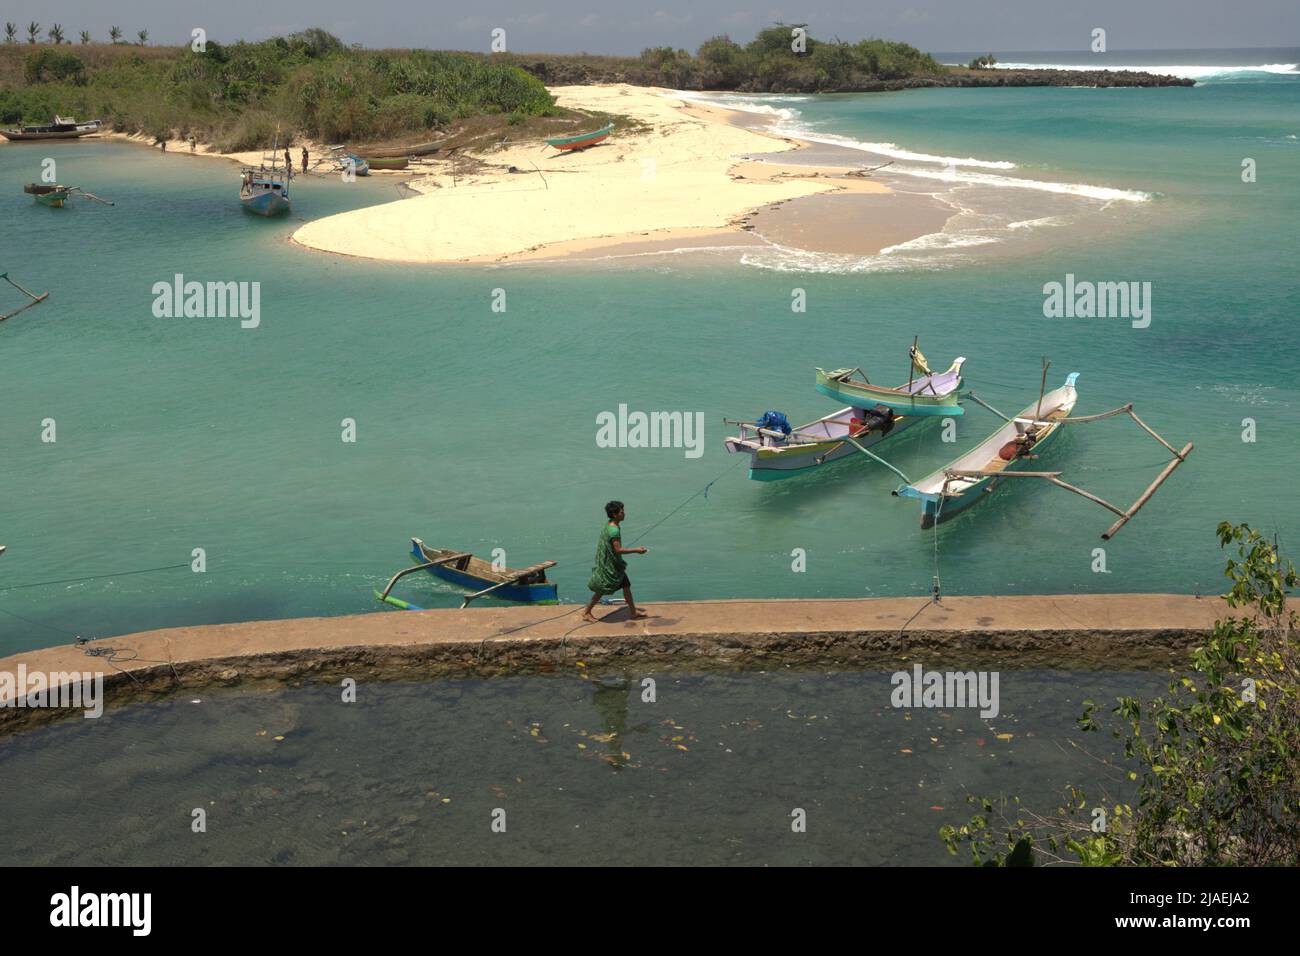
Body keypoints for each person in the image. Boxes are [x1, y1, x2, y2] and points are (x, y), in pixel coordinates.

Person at [582, 501, 647, 622]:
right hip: (612, 566)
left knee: (626, 586)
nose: (624, 514)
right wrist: (637, 550)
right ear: (615, 514)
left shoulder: (610, 524)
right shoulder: (614, 530)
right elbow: (618, 550)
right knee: (601, 589)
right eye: (622, 512)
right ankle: (586, 612)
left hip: (614, 564)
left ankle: (633, 612)